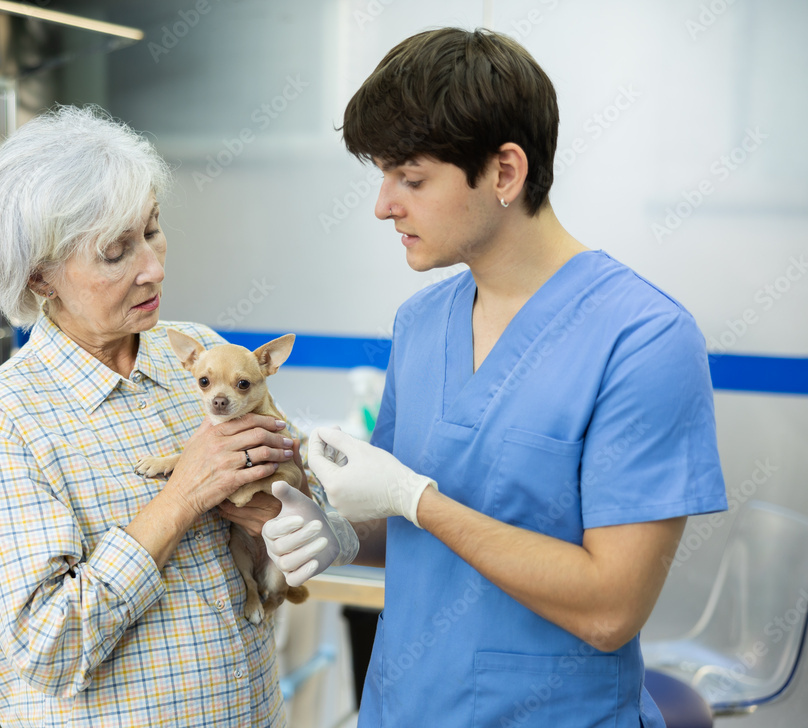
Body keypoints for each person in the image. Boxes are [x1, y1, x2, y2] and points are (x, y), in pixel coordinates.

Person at [262, 28, 728, 727]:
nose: (385, 205)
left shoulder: (643, 339)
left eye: (411, 179)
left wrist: (419, 501)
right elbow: (405, 517)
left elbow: (610, 608)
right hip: (401, 708)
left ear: (506, 172)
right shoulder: (421, 323)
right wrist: (341, 530)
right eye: (384, 177)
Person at [0, 105, 357, 727]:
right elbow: (48, 645)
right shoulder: (5, 424)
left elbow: (313, 509)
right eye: (117, 251)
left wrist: (294, 517)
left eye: (153, 229)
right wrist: (182, 496)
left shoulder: (197, 353)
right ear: (41, 277)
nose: (155, 266)